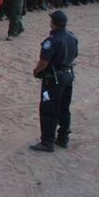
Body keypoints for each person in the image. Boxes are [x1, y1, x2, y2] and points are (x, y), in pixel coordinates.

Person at [29, 10, 78, 153]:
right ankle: (63, 137)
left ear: (54, 23)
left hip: (54, 79)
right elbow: (74, 55)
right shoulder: (71, 37)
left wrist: (36, 71)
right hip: (68, 75)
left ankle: (47, 141)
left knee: (48, 109)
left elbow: (44, 61)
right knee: (64, 107)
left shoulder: (51, 41)